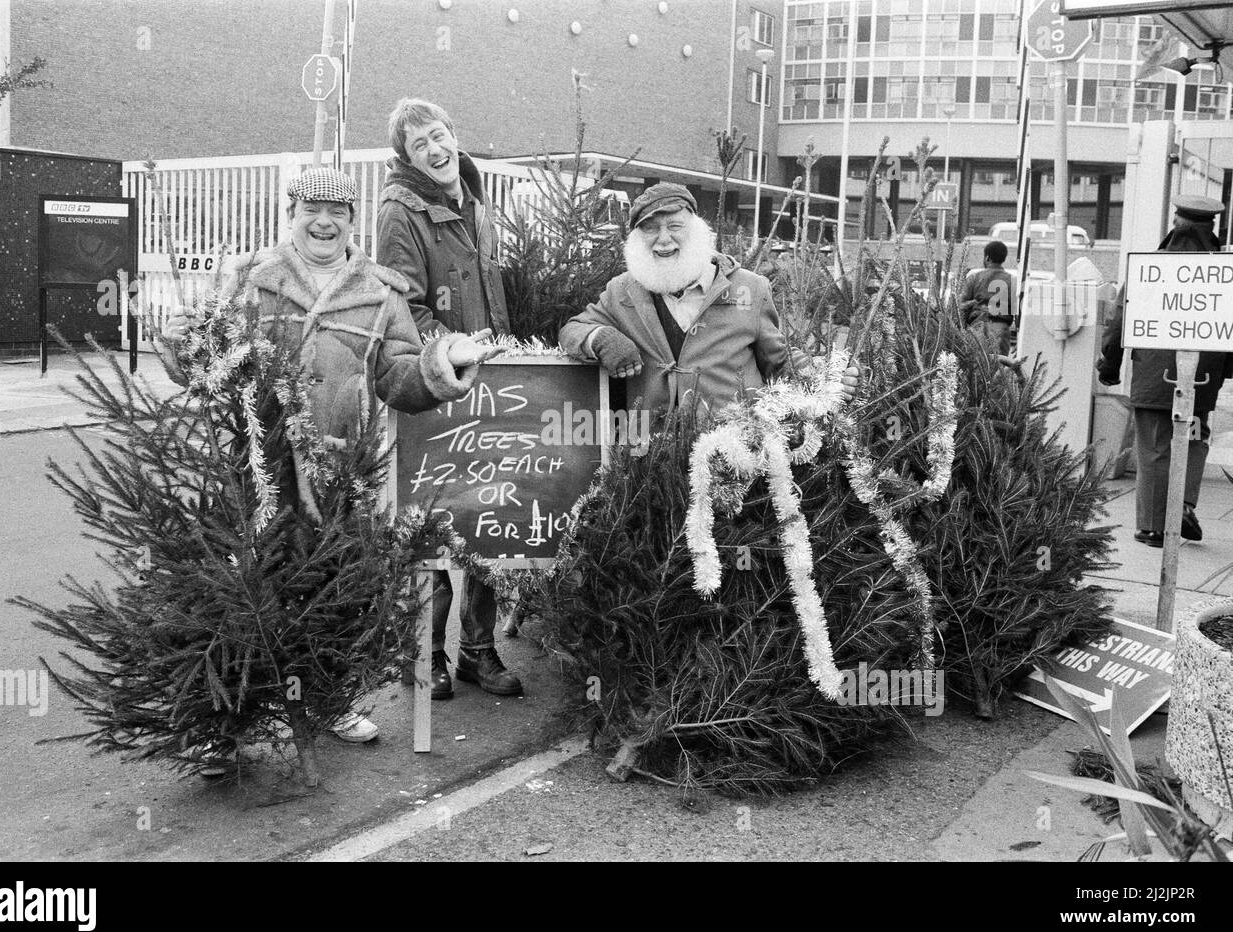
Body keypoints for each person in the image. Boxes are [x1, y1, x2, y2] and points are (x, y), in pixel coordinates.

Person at [160, 166, 503, 756]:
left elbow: (398, 375)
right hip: (258, 469)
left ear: (351, 220)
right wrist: (179, 341)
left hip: (341, 472)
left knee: (332, 591)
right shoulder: (249, 280)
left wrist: (442, 362)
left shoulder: (382, 291)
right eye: (311, 209)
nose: (324, 222)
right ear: (291, 213)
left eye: (337, 212)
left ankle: (330, 701)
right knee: (246, 590)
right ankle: (226, 727)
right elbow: (208, 367)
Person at [372, 98, 521, 700]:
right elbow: (401, 302)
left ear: (454, 135)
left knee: (490, 513)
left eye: (439, 136)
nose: (434, 151)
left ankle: (479, 653)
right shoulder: (398, 210)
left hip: (490, 377)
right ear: (405, 158)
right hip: (436, 380)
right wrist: (449, 347)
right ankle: (429, 654)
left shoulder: (474, 199)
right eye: (418, 146)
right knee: (435, 519)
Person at [558, 182, 858, 422]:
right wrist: (600, 337)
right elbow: (573, 330)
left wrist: (824, 374)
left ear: (697, 229)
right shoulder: (622, 291)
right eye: (650, 228)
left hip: (733, 458)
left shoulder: (750, 289)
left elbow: (779, 363)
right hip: (647, 466)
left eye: (675, 226)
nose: (663, 239)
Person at [1096, 194, 1233, 548]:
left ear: (1175, 223)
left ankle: (1151, 527)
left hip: (1153, 377)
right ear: (1212, 227)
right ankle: (1184, 506)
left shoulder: (1152, 268)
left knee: (1153, 448)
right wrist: (1222, 370)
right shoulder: (1224, 272)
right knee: (1193, 439)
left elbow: (1120, 321)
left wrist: (1110, 365)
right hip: (1201, 377)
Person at [959, 240, 1015, 356]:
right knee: (999, 368)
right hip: (1002, 330)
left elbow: (961, 306)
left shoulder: (974, 278)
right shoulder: (1012, 281)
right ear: (1003, 258)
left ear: (987, 258)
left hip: (977, 328)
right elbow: (1018, 311)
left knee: (976, 367)